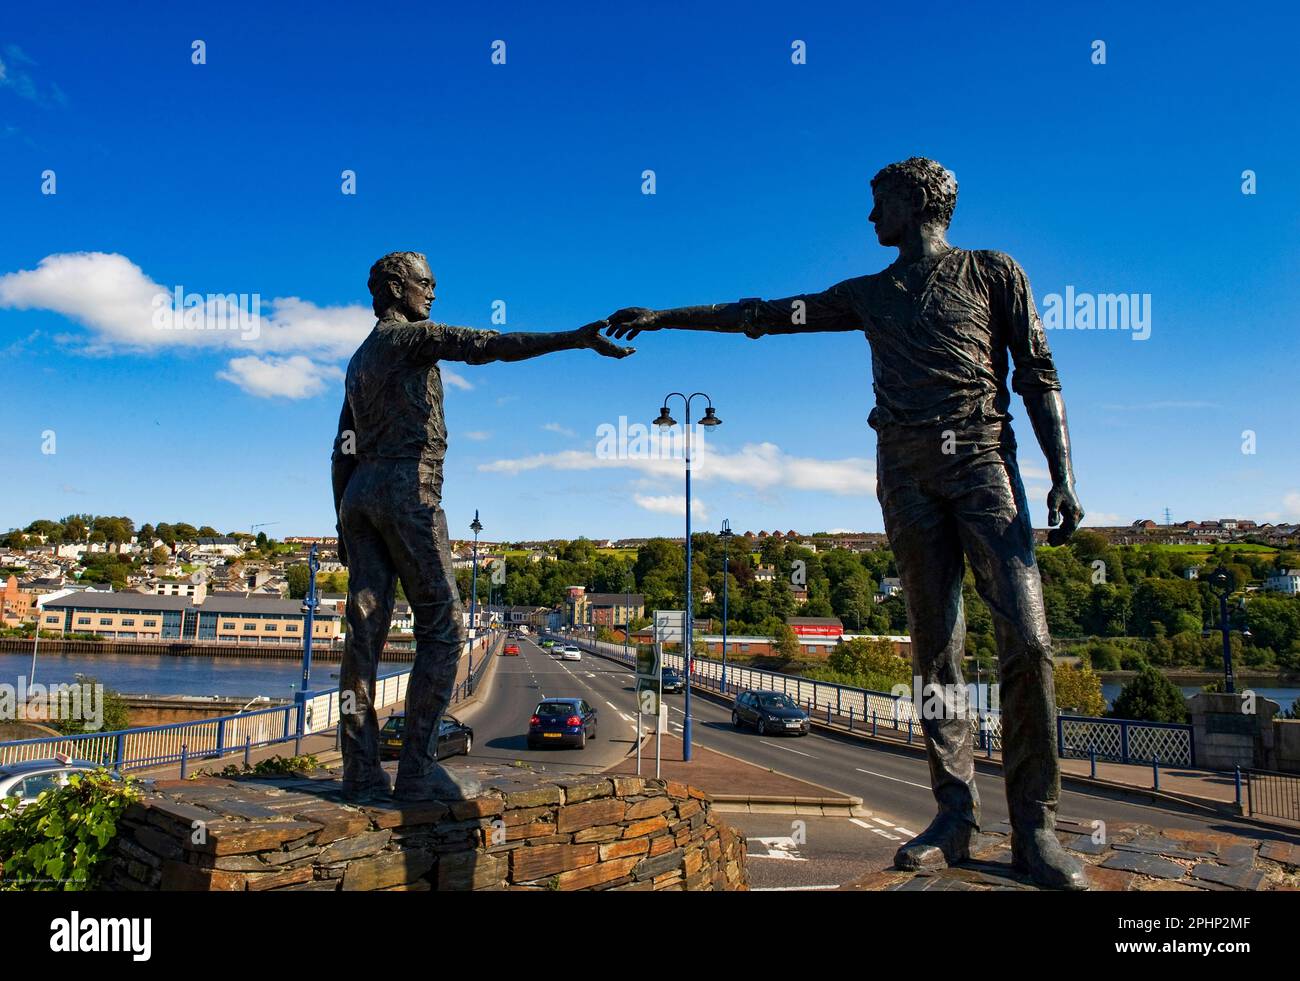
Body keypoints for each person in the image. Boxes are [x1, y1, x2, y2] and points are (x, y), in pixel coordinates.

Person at [604, 158, 1087, 889]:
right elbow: (762, 314)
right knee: (935, 649)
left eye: (878, 203)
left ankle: (1036, 825)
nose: (869, 220)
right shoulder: (870, 294)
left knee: (1028, 638)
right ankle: (955, 813)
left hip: (985, 466)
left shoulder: (993, 271)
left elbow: (1038, 373)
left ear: (915, 202)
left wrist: (1062, 475)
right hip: (905, 477)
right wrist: (664, 316)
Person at [332, 250, 632, 801]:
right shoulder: (408, 340)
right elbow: (490, 347)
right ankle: (419, 770)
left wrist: (342, 520)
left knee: (364, 632)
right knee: (443, 631)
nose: (434, 293)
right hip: (407, 490)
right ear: (396, 288)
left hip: (360, 494)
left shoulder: (359, 358)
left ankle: (360, 768)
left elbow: (340, 447)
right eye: (426, 283)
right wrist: (574, 337)